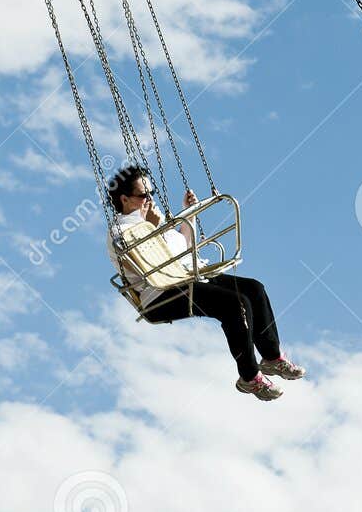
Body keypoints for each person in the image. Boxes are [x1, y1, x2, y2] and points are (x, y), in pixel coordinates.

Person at [107, 164, 304, 402]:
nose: (149, 199)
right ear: (125, 199)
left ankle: (272, 358)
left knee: (254, 289)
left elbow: (183, 246)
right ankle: (250, 377)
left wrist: (188, 213)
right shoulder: (121, 231)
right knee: (235, 304)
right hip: (160, 293)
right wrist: (150, 227)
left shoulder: (150, 221)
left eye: (152, 193)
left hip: (186, 277)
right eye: (143, 195)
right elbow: (146, 266)